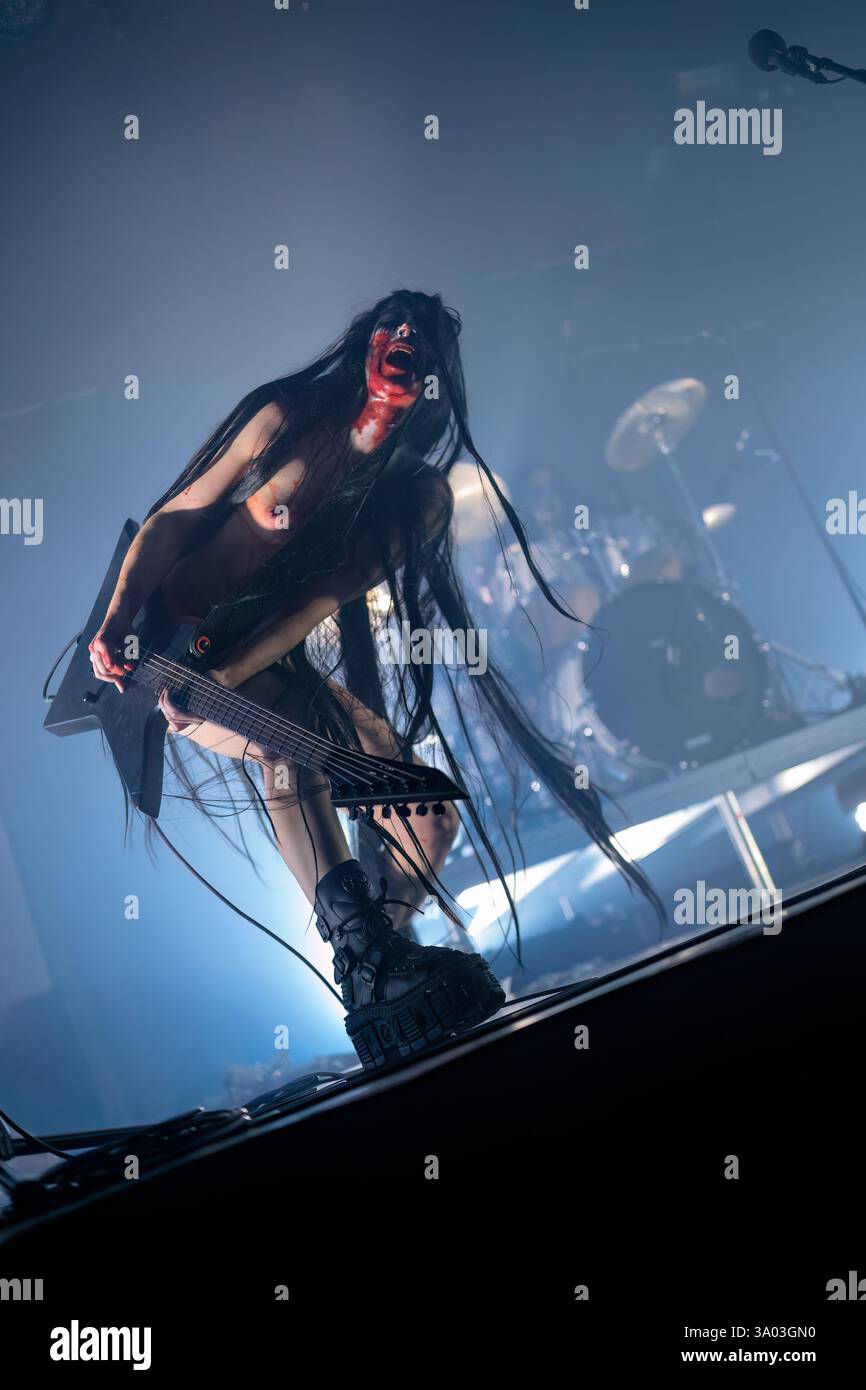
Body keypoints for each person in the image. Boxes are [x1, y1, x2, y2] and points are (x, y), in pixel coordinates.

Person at [87, 290, 661, 1068]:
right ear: (366, 342)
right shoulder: (280, 418)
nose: (405, 346)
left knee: (426, 814)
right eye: (396, 331)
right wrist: (116, 618)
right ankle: (368, 961)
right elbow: (178, 516)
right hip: (157, 651)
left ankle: (372, 959)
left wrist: (224, 674)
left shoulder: (414, 495)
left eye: (421, 346)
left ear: (433, 380)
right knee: (292, 748)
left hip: (247, 660)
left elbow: (312, 600)